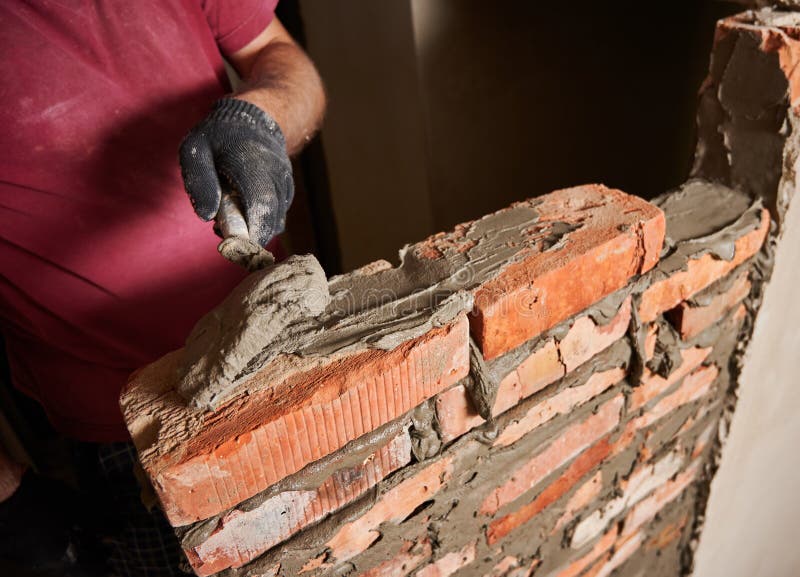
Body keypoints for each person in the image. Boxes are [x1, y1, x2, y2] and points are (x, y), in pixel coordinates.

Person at [0, 1, 325, 574]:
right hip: (126, 429)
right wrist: (8, 499)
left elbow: (280, 57)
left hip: (278, 350)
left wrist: (259, 118)